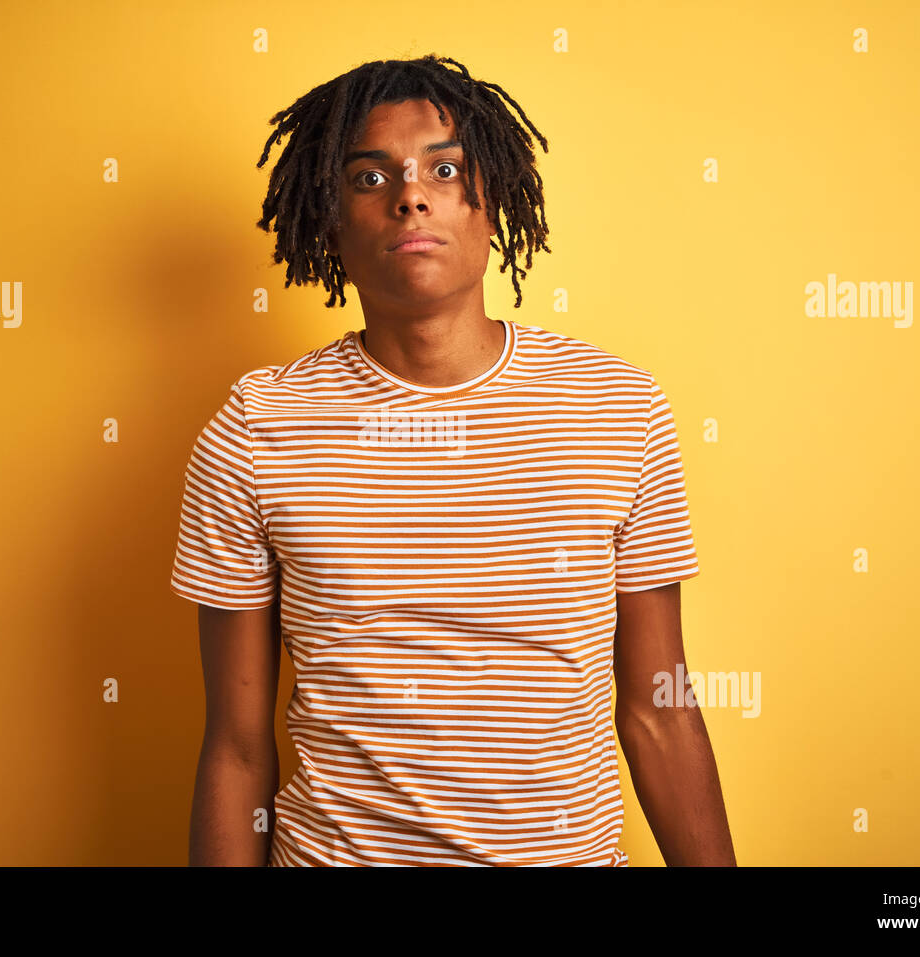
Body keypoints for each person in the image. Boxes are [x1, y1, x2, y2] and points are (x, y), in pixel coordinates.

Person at [170, 54, 736, 866]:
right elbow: (236, 744)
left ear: (493, 203)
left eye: (444, 167)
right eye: (369, 177)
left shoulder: (617, 407)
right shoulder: (258, 425)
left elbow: (660, 708)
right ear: (328, 221)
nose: (410, 193)